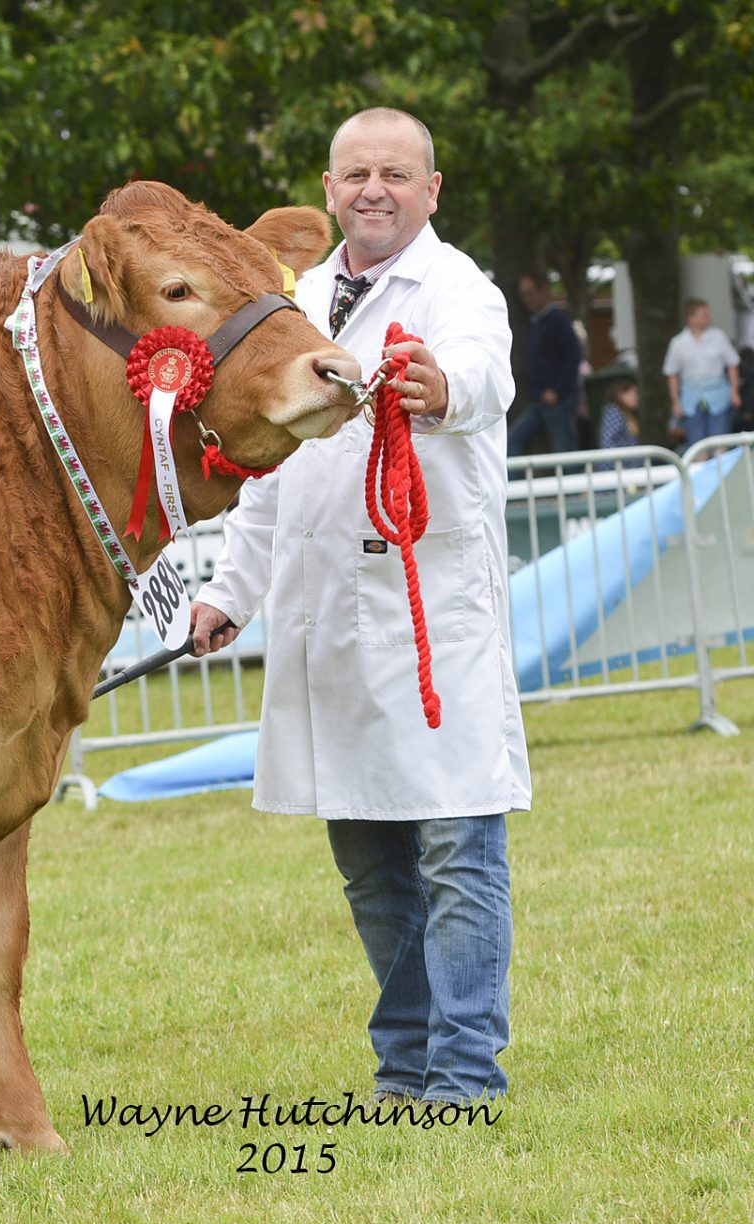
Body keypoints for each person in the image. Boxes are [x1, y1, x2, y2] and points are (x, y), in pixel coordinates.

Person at [189, 107, 529, 1108]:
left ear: (432, 190)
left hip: (430, 615)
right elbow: (270, 468)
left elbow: (485, 378)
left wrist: (438, 386)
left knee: (457, 850)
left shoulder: (460, 290)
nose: (374, 189)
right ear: (330, 190)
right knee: (372, 864)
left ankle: (463, 1074)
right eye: (356, 174)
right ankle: (405, 1063)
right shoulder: (292, 300)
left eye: (396, 173)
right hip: (328, 617)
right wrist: (229, 591)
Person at [506, 274, 582, 456]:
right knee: (511, 440)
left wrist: (556, 390)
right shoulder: (535, 322)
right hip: (539, 400)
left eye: (530, 293)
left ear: (543, 291)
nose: (527, 299)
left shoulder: (558, 321)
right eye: (523, 295)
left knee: (564, 453)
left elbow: (574, 356)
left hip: (557, 401)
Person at [662, 300, 740, 445]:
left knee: (720, 442)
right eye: (704, 315)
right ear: (691, 318)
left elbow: (732, 364)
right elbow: (672, 374)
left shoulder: (718, 336)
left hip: (718, 396)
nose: (709, 318)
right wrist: (675, 401)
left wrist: (734, 391)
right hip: (691, 399)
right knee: (696, 443)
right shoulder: (678, 343)